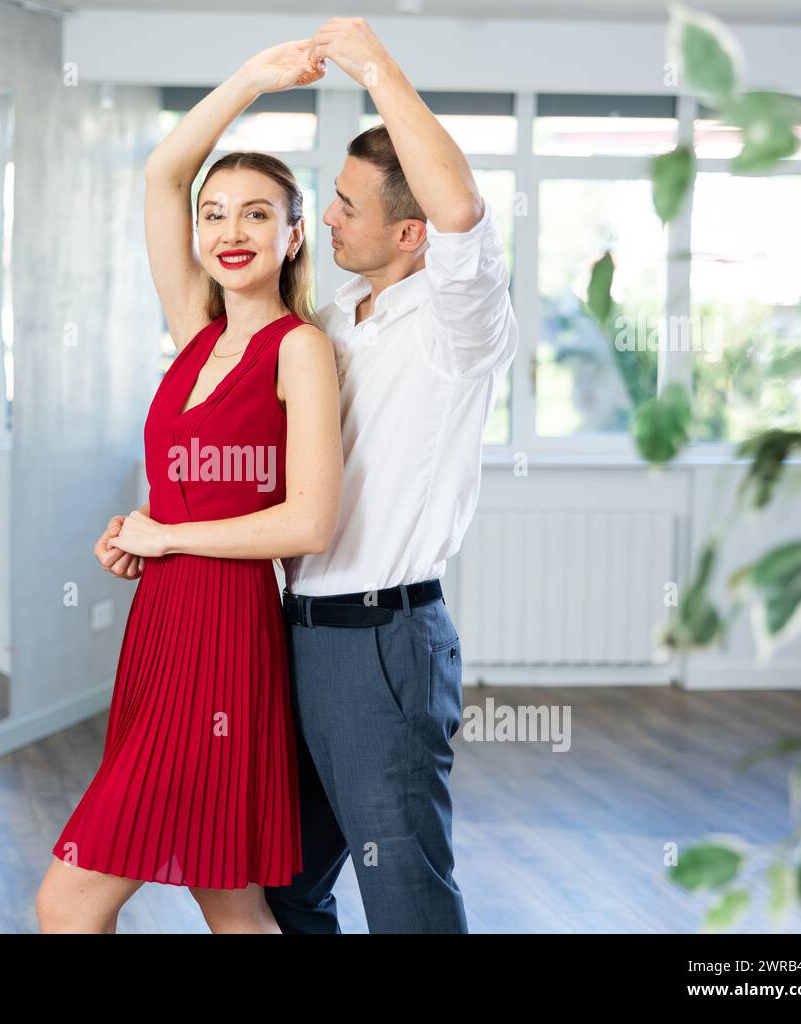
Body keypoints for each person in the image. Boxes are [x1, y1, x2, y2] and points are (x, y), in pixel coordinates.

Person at [35, 40, 343, 934]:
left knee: (68, 898)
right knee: (232, 901)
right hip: (162, 623)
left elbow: (309, 522)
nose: (230, 232)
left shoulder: (300, 348)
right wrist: (252, 79)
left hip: (228, 633)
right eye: (215, 215)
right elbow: (162, 173)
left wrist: (167, 535)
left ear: (293, 236)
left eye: (257, 214)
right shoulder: (194, 330)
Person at [263, 18, 518, 934]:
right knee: (281, 885)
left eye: (346, 204)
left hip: (382, 644)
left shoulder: (459, 321)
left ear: (410, 232)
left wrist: (373, 65)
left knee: (405, 896)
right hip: (296, 635)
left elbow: (463, 213)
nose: (326, 218)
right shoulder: (332, 320)